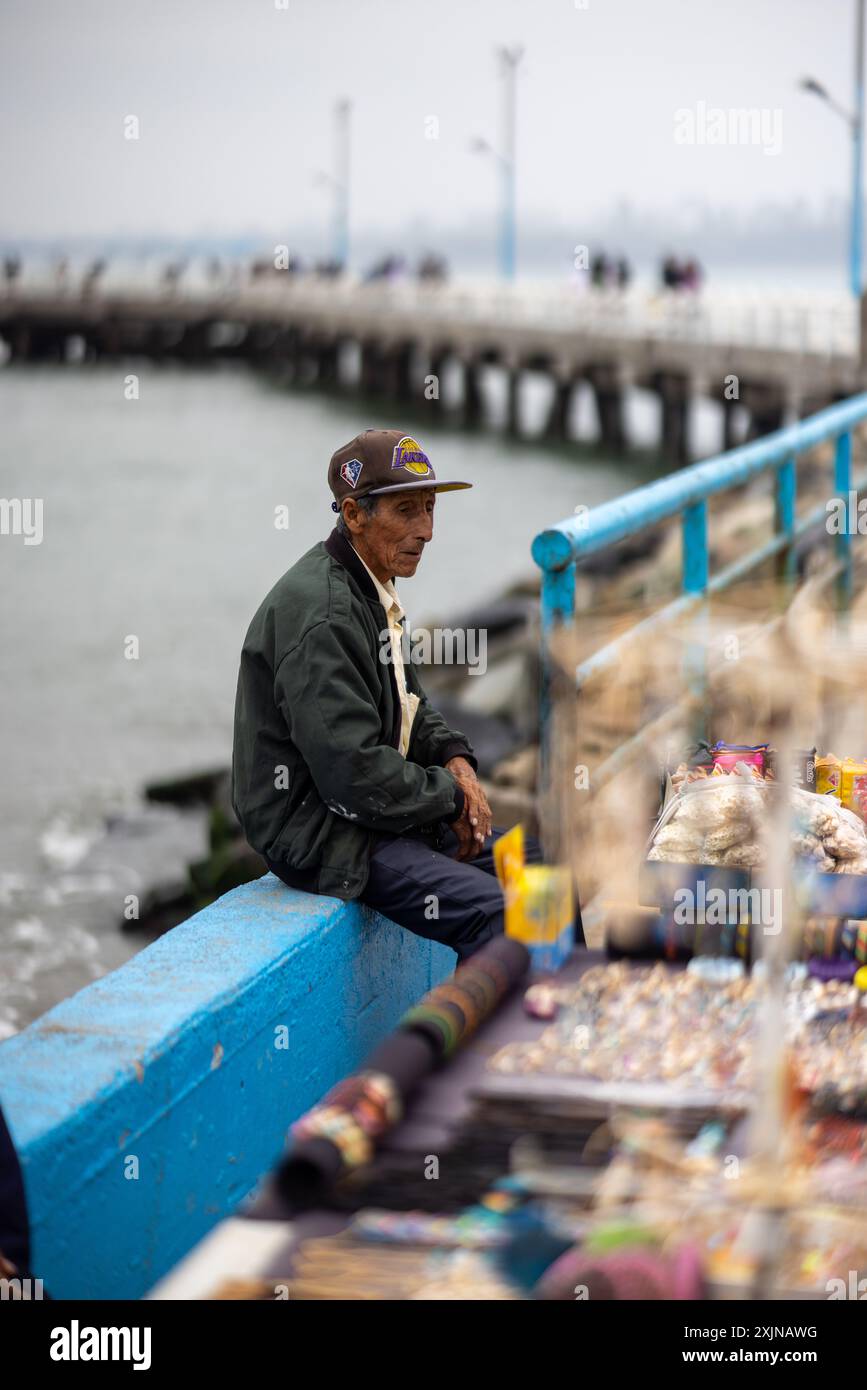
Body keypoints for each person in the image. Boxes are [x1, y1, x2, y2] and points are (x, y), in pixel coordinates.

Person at [231, 428, 543, 963]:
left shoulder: (369, 585)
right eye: (406, 511)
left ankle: (558, 1019)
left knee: (543, 871)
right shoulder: (326, 615)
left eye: (429, 508)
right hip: (328, 832)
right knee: (497, 914)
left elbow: (411, 704)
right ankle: (501, 1044)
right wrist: (449, 797)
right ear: (354, 514)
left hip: (378, 813)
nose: (425, 530)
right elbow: (351, 776)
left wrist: (457, 760)